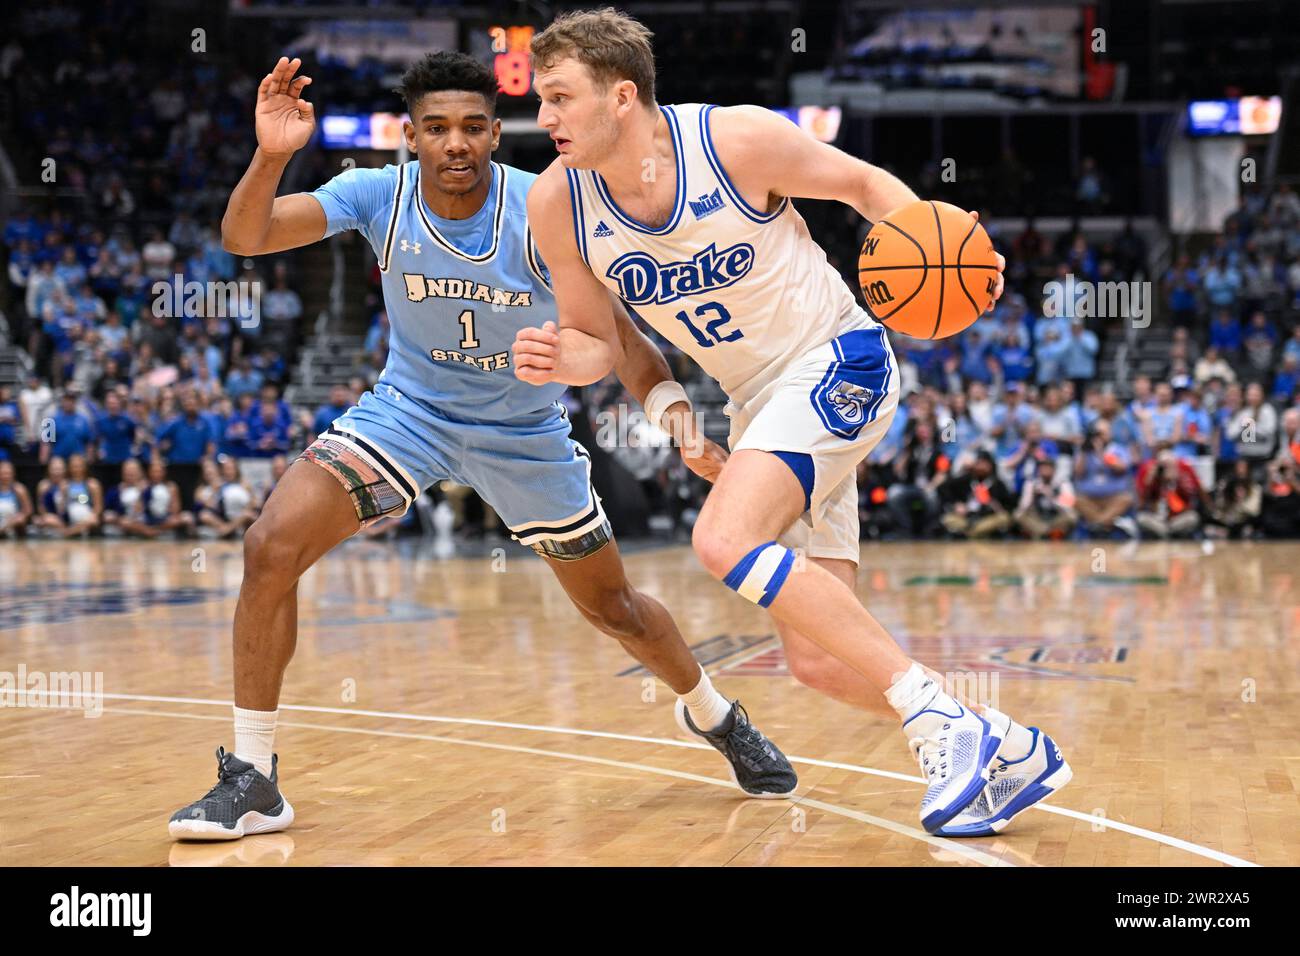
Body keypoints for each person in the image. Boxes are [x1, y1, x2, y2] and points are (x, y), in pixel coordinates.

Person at [169, 53, 794, 842]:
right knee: (269, 546)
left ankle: (713, 712)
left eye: (471, 127)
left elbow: (619, 339)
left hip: (523, 433)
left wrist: (676, 420)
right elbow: (244, 236)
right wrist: (271, 155)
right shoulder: (377, 193)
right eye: (436, 128)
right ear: (412, 136)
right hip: (409, 413)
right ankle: (254, 778)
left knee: (617, 609)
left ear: (496, 134)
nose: (455, 143)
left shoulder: (546, 207)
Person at [519, 8, 1070, 837]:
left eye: (560, 97)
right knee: (815, 659)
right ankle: (996, 740)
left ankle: (945, 730)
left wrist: (935, 239)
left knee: (723, 540)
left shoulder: (735, 141)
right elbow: (605, 342)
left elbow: (862, 184)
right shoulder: (557, 204)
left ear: (621, 95)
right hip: (758, 406)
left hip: (838, 358)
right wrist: (618, 386)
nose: (544, 118)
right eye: (541, 99)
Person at [0, 460, 34, 538]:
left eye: (8, 473)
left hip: (13, 523)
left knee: (20, 519)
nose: (5, 476)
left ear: (13, 474)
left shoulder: (19, 489)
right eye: (3, 473)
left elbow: (28, 510)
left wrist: (19, 517)